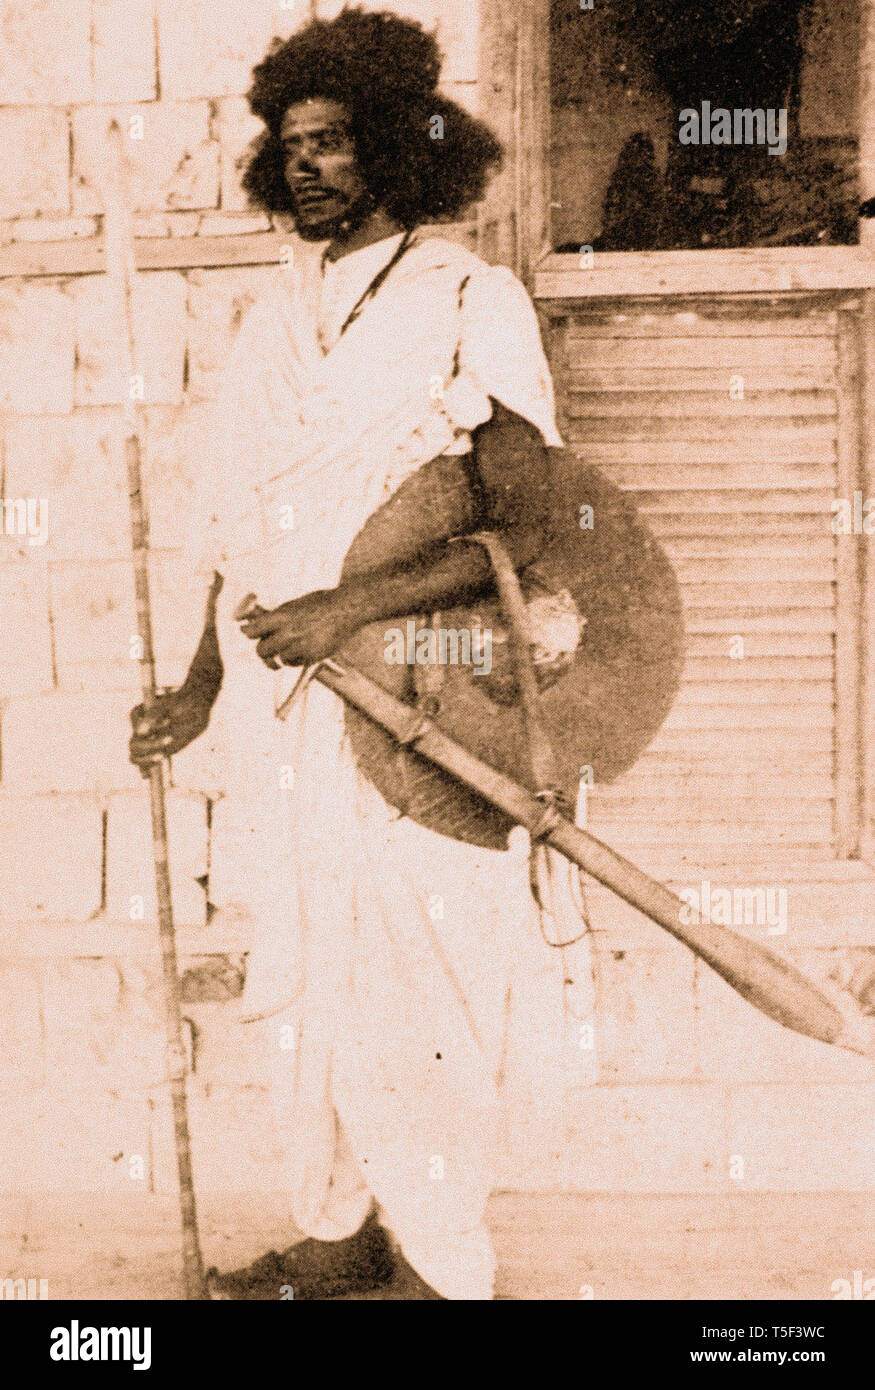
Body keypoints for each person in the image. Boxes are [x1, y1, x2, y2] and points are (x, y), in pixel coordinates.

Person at [129, 7, 591, 1300]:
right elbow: (239, 540)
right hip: (290, 727)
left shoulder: (468, 300)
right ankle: (338, 1233)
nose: (308, 165)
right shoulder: (268, 327)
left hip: (423, 705)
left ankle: (445, 1267)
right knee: (304, 982)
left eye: (334, 140)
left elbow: (522, 520)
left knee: (419, 992)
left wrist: (342, 614)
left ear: (394, 149)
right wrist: (195, 689)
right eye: (289, 144)